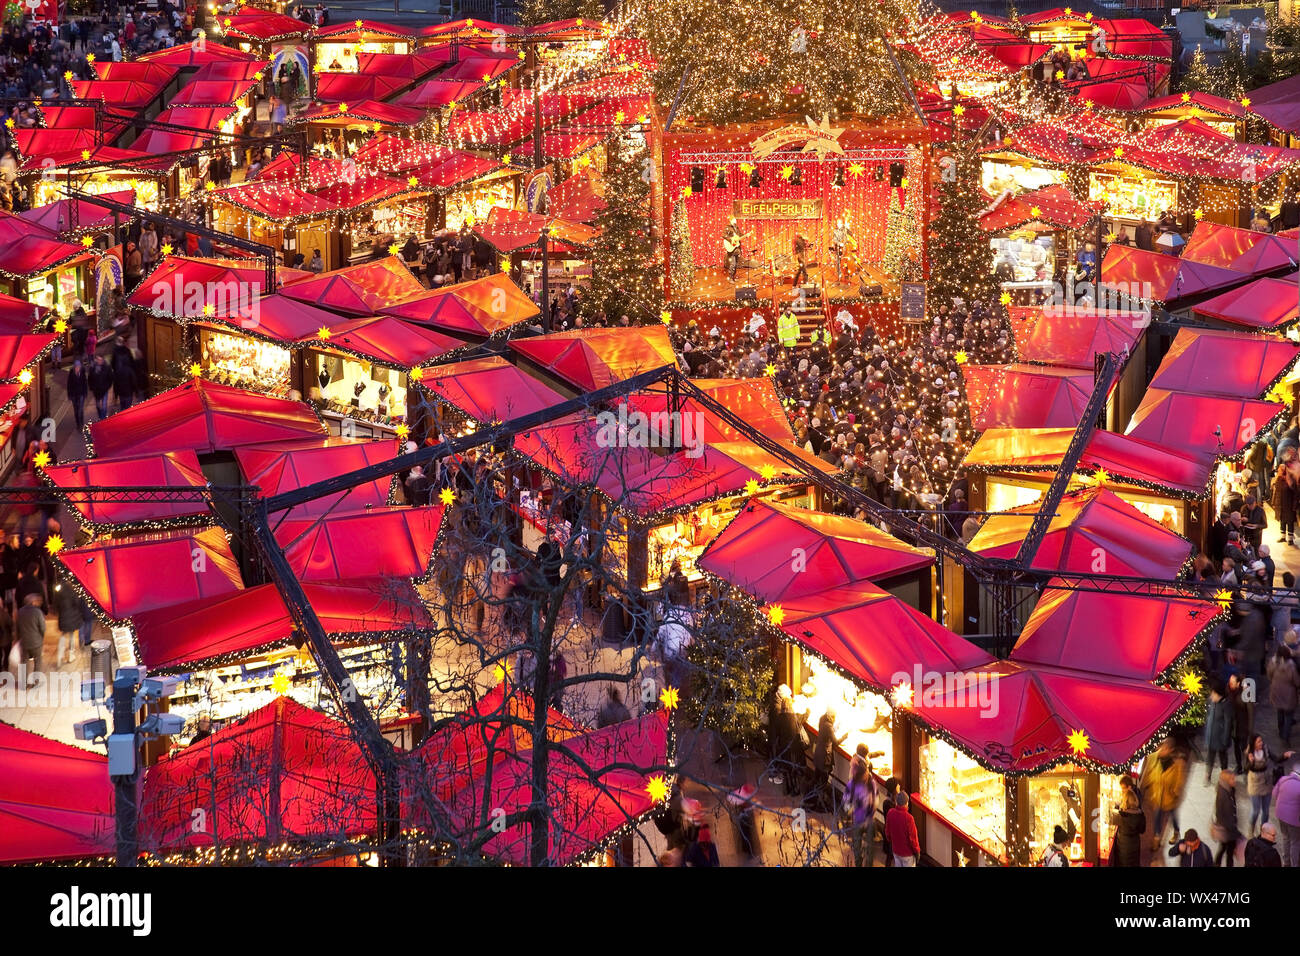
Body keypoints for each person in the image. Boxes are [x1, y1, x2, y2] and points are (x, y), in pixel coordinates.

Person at [1140, 737, 1188, 848]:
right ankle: (1157, 838)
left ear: (1171, 750)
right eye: (1161, 747)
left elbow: (1179, 781)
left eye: (1165, 748)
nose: (1161, 750)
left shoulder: (1178, 764)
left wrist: (1175, 792)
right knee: (1157, 819)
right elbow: (1148, 775)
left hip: (1170, 798)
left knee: (1173, 816)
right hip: (1157, 796)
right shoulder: (1154, 759)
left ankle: (1176, 831)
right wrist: (1144, 788)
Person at [841, 754, 876, 867]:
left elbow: (876, 799)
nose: (867, 775)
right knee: (857, 847)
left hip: (869, 820)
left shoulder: (871, 782)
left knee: (870, 849)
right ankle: (858, 863)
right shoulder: (852, 785)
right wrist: (851, 809)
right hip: (858, 820)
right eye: (865, 774)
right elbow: (845, 803)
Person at [812, 706, 848, 811]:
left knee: (816, 778)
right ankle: (818, 804)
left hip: (818, 754)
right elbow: (835, 743)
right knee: (822, 782)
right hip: (824, 758)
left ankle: (811, 798)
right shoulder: (828, 726)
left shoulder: (822, 719)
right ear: (831, 716)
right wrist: (844, 737)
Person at [1268, 644, 1299, 745]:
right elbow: (1297, 682)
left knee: (1279, 711)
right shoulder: (1291, 665)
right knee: (1288, 716)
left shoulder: (1273, 663)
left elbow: (1269, 675)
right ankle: (1286, 736)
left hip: (1276, 691)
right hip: (1289, 695)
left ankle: (1281, 731)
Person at [1204, 684, 1235, 783]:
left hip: (1220, 737)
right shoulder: (1212, 702)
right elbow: (1209, 715)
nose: (1212, 696)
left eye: (1214, 694)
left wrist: (1225, 739)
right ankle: (1208, 775)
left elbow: (1228, 723)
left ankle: (1224, 775)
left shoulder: (1226, 705)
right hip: (1211, 736)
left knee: (1223, 757)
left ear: (1220, 695)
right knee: (1210, 756)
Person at [1109, 784, 1146, 866]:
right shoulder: (1141, 815)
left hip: (1123, 848)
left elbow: (1109, 818)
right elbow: (1142, 830)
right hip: (1135, 844)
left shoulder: (1122, 816)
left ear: (1125, 801)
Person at [1212, 769, 1241, 866]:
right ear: (1226, 781)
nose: (1235, 781)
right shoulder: (1224, 796)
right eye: (1232, 779)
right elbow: (1224, 815)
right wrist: (1235, 832)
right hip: (1228, 830)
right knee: (1229, 852)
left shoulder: (1227, 789)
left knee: (1223, 848)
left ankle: (1216, 863)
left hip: (1226, 828)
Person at [1272, 763, 1300, 866]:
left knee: (1285, 837)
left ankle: (1286, 862)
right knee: (1295, 842)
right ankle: (1295, 864)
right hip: (1294, 819)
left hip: (1280, 815)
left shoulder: (1282, 779)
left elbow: (1274, 794)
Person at [15, 592, 45, 686]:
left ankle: (23, 684)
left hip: (24, 642)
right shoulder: (37, 612)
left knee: (24, 662)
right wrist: (41, 637)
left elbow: (17, 627)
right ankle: (36, 682)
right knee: (37, 661)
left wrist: (18, 639)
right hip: (36, 642)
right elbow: (42, 628)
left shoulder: (20, 612)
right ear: (33, 602)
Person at [52, 575, 82, 667]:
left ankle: (59, 656)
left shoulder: (58, 591)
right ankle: (70, 656)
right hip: (72, 617)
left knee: (63, 635)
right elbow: (77, 602)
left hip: (63, 617)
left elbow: (55, 604)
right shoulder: (72, 589)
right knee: (72, 635)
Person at [885, 791, 919, 866]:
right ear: (906, 803)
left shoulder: (890, 813)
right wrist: (917, 851)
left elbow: (887, 832)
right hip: (907, 853)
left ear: (896, 802)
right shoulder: (909, 818)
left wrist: (891, 841)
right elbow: (913, 838)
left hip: (896, 850)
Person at [88, 355, 113, 420]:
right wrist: (92, 387)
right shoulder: (93, 367)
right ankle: (100, 416)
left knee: (104, 405)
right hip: (96, 390)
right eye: (98, 359)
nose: (99, 361)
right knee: (98, 405)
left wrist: (107, 386)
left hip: (104, 390)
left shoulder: (107, 367)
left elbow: (110, 378)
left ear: (103, 360)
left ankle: (103, 419)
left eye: (100, 359)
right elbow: (90, 378)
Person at [65, 359, 88, 431]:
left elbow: (85, 383)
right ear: (74, 367)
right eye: (76, 367)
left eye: (79, 366)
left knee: (80, 409)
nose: (78, 368)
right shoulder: (71, 374)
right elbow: (69, 385)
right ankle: (78, 423)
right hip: (74, 395)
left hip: (81, 394)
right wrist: (69, 395)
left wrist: (85, 393)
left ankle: (81, 423)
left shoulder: (83, 373)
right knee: (76, 410)